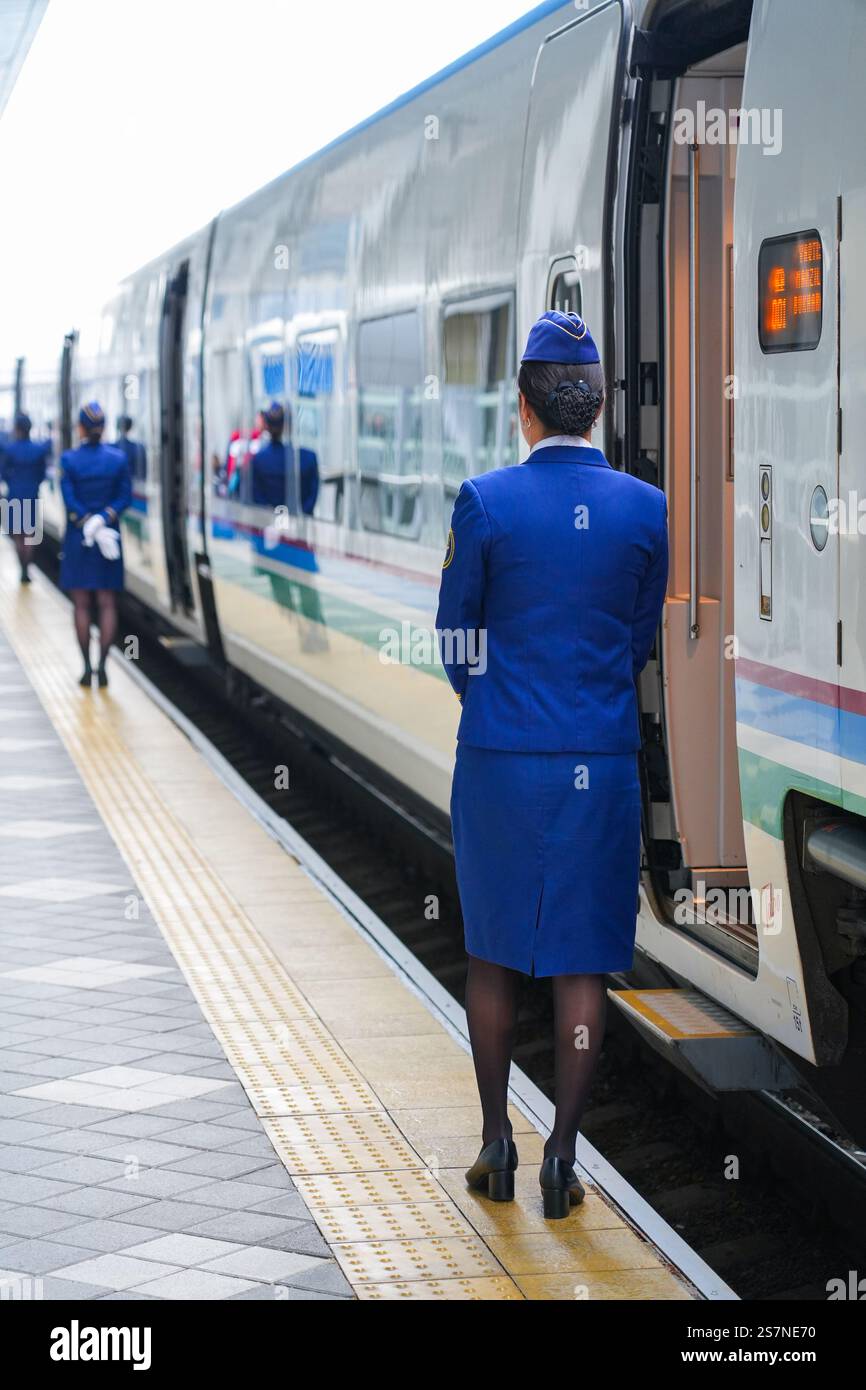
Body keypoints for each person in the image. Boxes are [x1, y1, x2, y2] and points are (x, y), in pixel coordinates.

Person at [436, 311, 669, 1220]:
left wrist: (493, 702)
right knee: (582, 963)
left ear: (522, 410)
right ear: (599, 406)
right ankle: (563, 1158)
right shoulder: (644, 509)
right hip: (598, 764)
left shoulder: (485, 501)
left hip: (499, 761)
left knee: (493, 956)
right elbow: (638, 638)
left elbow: (458, 638)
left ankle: (496, 1140)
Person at [59, 401, 132, 687]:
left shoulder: (69, 460)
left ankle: (86, 668)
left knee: (81, 604)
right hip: (110, 538)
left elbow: (69, 500)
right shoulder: (118, 459)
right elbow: (124, 497)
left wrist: (87, 522)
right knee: (107, 602)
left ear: (80, 427)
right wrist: (104, 519)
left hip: (79, 538)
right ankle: (103, 668)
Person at [0, 412, 51, 583]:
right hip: (31, 495)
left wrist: (13, 481)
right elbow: (43, 474)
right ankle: (26, 569)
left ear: (17, 429)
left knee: (17, 535)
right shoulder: (38, 450)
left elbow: (4, 472)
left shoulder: (9, 449)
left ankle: (21, 566)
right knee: (29, 535)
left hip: (13, 495)